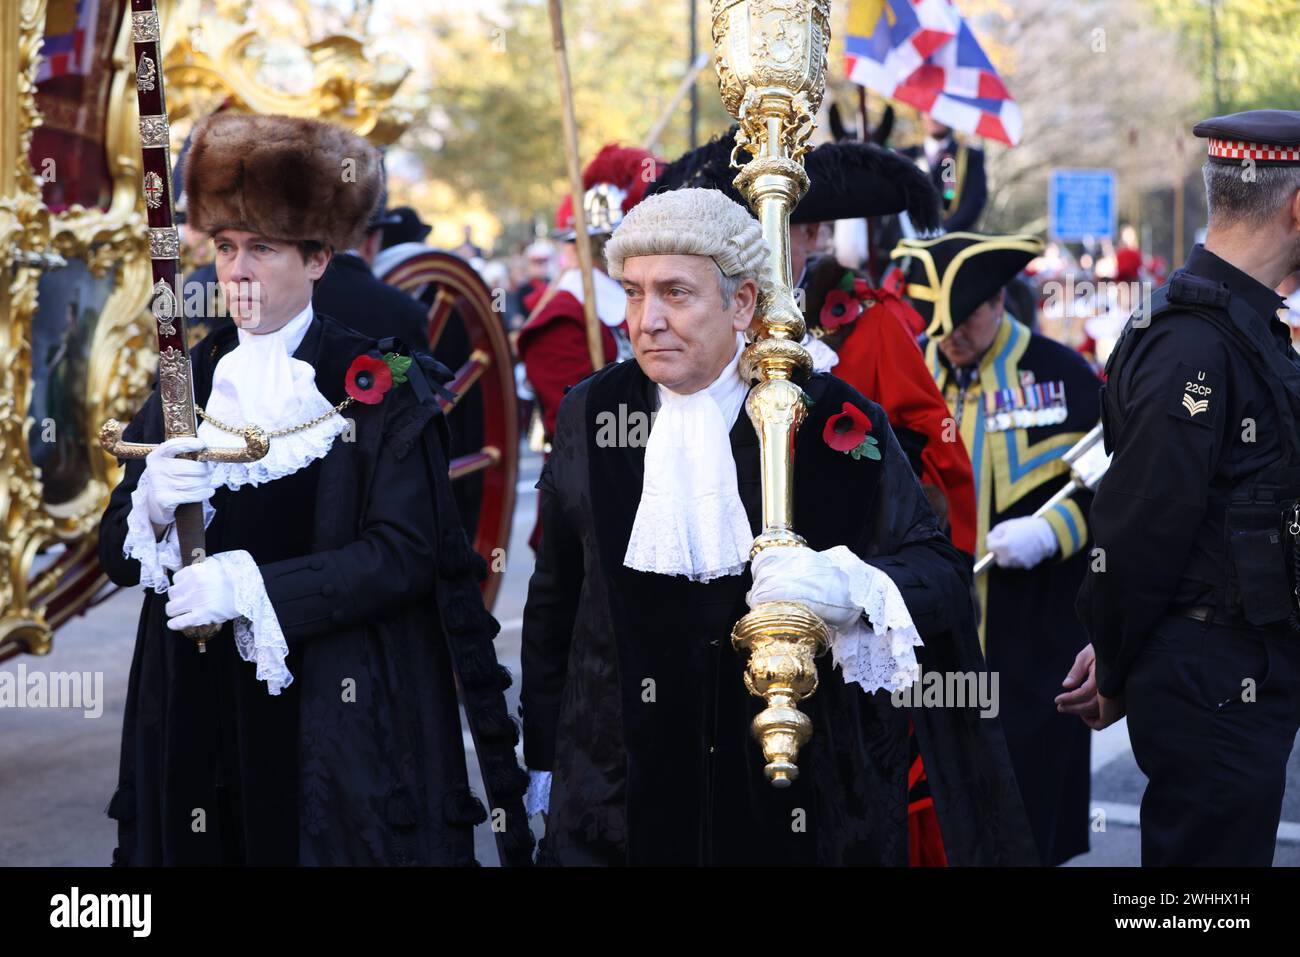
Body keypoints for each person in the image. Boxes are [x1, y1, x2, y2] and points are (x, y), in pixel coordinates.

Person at [519, 187, 1034, 866]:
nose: (647, 320)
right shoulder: (591, 413)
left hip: (799, 810)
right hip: (618, 806)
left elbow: (942, 574)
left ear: (742, 303)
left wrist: (848, 583)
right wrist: (544, 761)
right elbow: (554, 601)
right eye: (634, 293)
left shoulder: (832, 420)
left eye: (675, 293)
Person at [99, 112, 530, 866]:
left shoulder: (380, 382)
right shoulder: (186, 381)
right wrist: (151, 511)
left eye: (262, 249)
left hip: (333, 720)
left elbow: (406, 553)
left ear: (319, 258)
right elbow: (115, 555)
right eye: (227, 248)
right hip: (196, 718)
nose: (236, 271)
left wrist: (254, 587)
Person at [1069, 109, 1300, 866]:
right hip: (1211, 677)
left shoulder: (1241, 325)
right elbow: (1137, 530)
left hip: (1233, 666)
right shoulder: (1193, 340)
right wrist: (1112, 657)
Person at [649, 128, 977, 554]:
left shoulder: (872, 325)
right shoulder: (701, 326)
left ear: (811, 233)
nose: (756, 246)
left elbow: (938, 455)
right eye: (743, 230)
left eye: (776, 225)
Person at [894, 231, 1101, 865]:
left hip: (1031, 639)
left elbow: (1112, 487)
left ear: (997, 302)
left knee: (1026, 806)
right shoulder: (911, 373)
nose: (949, 335)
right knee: (938, 806)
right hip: (933, 638)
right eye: (940, 323)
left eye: (963, 319)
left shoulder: (1062, 373)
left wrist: (1051, 532)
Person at [898, 114, 988, 232]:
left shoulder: (969, 157)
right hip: (909, 238)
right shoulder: (905, 156)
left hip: (952, 240)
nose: (934, 117)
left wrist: (942, 232)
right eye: (929, 111)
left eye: (939, 111)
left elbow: (973, 203)